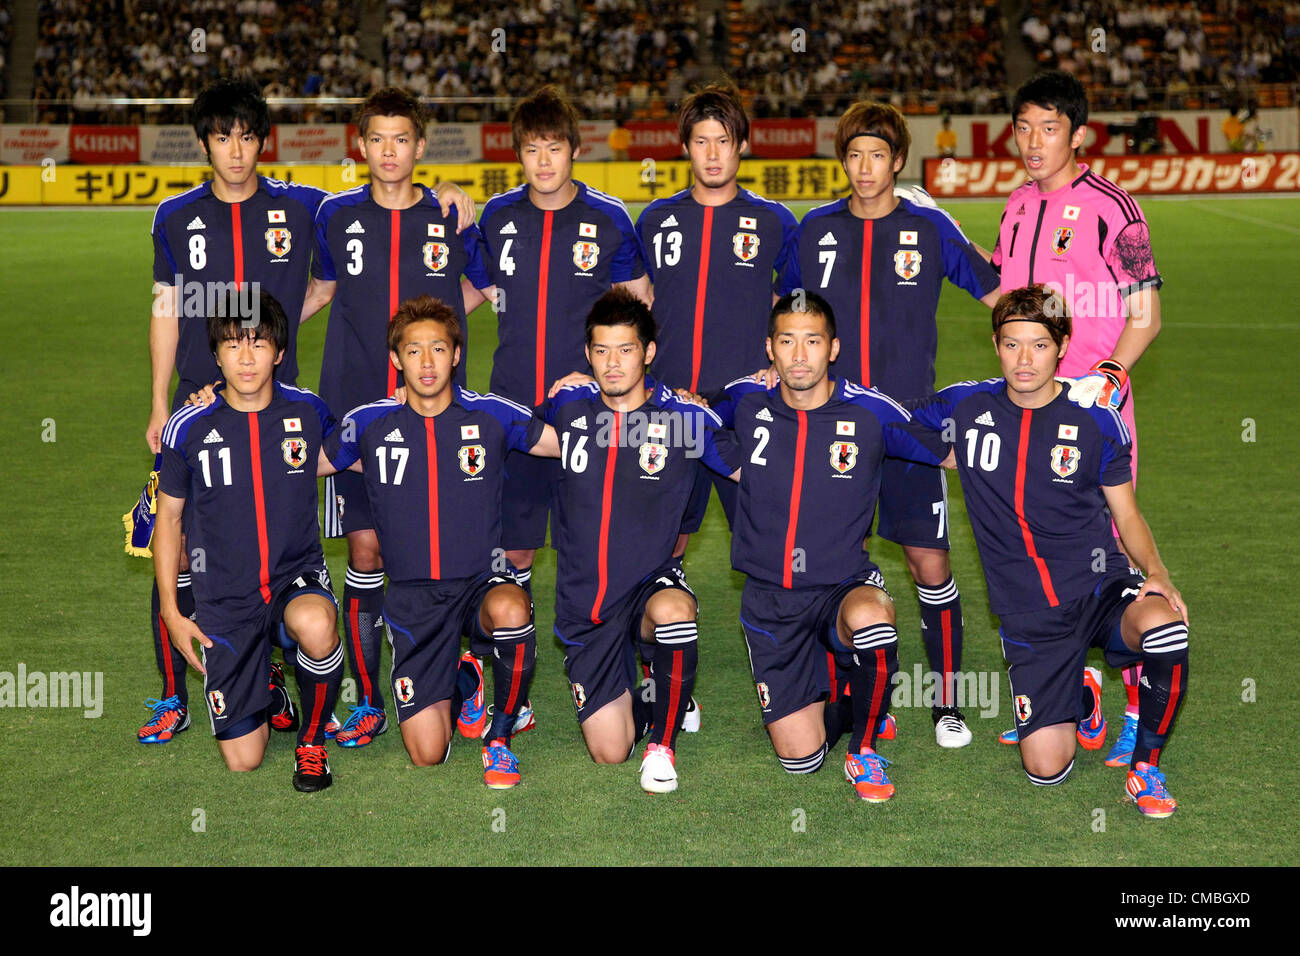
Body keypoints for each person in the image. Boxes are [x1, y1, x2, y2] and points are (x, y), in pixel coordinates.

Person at [902, 287, 1187, 816]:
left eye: (1038, 345)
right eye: (1011, 345)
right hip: (1030, 612)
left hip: (1100, 588)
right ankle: (1080, 695)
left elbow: (1126, 515)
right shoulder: (966, 405)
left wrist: (1158, 573)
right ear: (995, 344)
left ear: (1062, 345)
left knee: (1165, 626)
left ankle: (1146, 769)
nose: (1024, 360)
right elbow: (886, 417)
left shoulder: (1096, 417)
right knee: (1045, 769)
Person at [792, 101, 1001, 748]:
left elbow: (999, 295)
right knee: (826, 566)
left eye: (877, 155)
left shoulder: (930, 229)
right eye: (853, 155)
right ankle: (848, 698)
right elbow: (787, 315)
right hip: (834, 426)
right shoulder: (815, 229)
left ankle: (948, 705)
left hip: (910, 427)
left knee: (929, 564)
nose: (864, 168)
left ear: (899, 161)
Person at [141, 77, 329, 745]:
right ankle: (173, 695)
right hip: (199, 404)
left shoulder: (303, 207)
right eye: (224, 137)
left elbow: (342, 260)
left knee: (274, 546)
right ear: (203, 144)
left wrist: (281, 339)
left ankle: (267, 675)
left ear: (262, 141)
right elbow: (167, 307)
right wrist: (163, 401)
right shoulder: (174, 216)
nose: (237, 150)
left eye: (248, 136)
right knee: (179, 546)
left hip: (276, 410)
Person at [300, 86, 486, 748]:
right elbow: (321, 289)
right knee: (367, 549)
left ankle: (461, 674)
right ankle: (371, 697)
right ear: (360, 145)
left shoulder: (451, 216)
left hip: (436, 419)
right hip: (354, 414)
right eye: (375, 138)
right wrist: (240, 348)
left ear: (421, 146)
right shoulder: (334, 216)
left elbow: (485, 285)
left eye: (400, 138)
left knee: (442, 550)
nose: (387, 151)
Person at [990, 70, 1164, 764]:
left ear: (1079, 134)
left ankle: (1132, 713)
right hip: (1028, 414)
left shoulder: (1111, 207)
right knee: (1042, 557)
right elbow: (1005, 301)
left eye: (1050, 128)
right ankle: (1071, 695)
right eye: (1024, 128)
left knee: (1111, 558)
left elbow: (1145, 314)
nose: (1034, 142)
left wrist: (1108, 378)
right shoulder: (1014, 205)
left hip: (1090, 414)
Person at [716, 292, 946, 801]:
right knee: (801, 760)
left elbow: (947, 448)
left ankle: (864, 750)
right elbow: (681, 409)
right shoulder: (744, 401)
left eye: (813, 341)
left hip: (843, 586)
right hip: (770, 600)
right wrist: (585, 384)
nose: (800, 355)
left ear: (834, 348)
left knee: (872, 621)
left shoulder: (869, 413)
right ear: (769, 351)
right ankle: (851, 693)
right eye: (787, 341)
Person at [321, 296, 557, 787]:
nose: (426, 363)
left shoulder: (491, 414)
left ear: (455, 354)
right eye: (413, 351)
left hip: (478, 585)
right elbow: (297, 459)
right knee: (427, 754)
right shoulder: (366, 423)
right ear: (395, 359)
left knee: (513, 608)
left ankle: (500, 740)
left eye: (437, 349)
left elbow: (570, 442)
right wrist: (223, 406)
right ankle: (465, 678)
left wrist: (589, 395)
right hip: (413, 601)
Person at [543, 289, 736, 793]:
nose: (612, 363)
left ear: (648, 352)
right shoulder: (566, 406)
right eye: (602, 351)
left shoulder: (685, 419)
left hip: (651, 585)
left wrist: (765, 389)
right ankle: (660, 691)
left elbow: (746, 465)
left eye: (626, 350)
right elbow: (505, 433)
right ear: (586, 354)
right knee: (609, 753)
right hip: (585, 604)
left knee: (673, 612)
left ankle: (663, 744)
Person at [153, 291, 345, 791]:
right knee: (244, 760)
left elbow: (344, 449)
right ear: (215, 354)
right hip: (225, 596)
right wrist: (174, 614)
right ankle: (269, 686)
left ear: (279, 353)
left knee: (316, 622)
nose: (245, 357)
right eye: (233, 344)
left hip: (292, 577)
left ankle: (312, 743)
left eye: (257, 344)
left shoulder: (307, 409)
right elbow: (168, 520)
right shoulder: (189, 424)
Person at [475, 85, 650, 602]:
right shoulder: (497, 216)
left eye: (554, 147)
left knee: (596, 543)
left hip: (591, 409)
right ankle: (509, 658)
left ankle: (609, 657)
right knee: (515, 549)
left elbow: (639, 309)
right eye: (531, 149)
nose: (543, 160)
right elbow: (474, 288)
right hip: (514, 405)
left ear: (575, 149)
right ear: (518, 156)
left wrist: (607, 379)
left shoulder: (610, 218)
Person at [637, 82, 799, 550]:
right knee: (664, 541)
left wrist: (778, 363)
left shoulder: (774, 221)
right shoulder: (654, 219)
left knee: (767, 539)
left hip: (746, 404)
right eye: (701, 141)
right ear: (685, 146)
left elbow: (795, 307)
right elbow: (637, 301)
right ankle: (660, 621)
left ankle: (775, 624)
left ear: (742, 145)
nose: (712, 154)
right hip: (670, 401)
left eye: (723, 141)